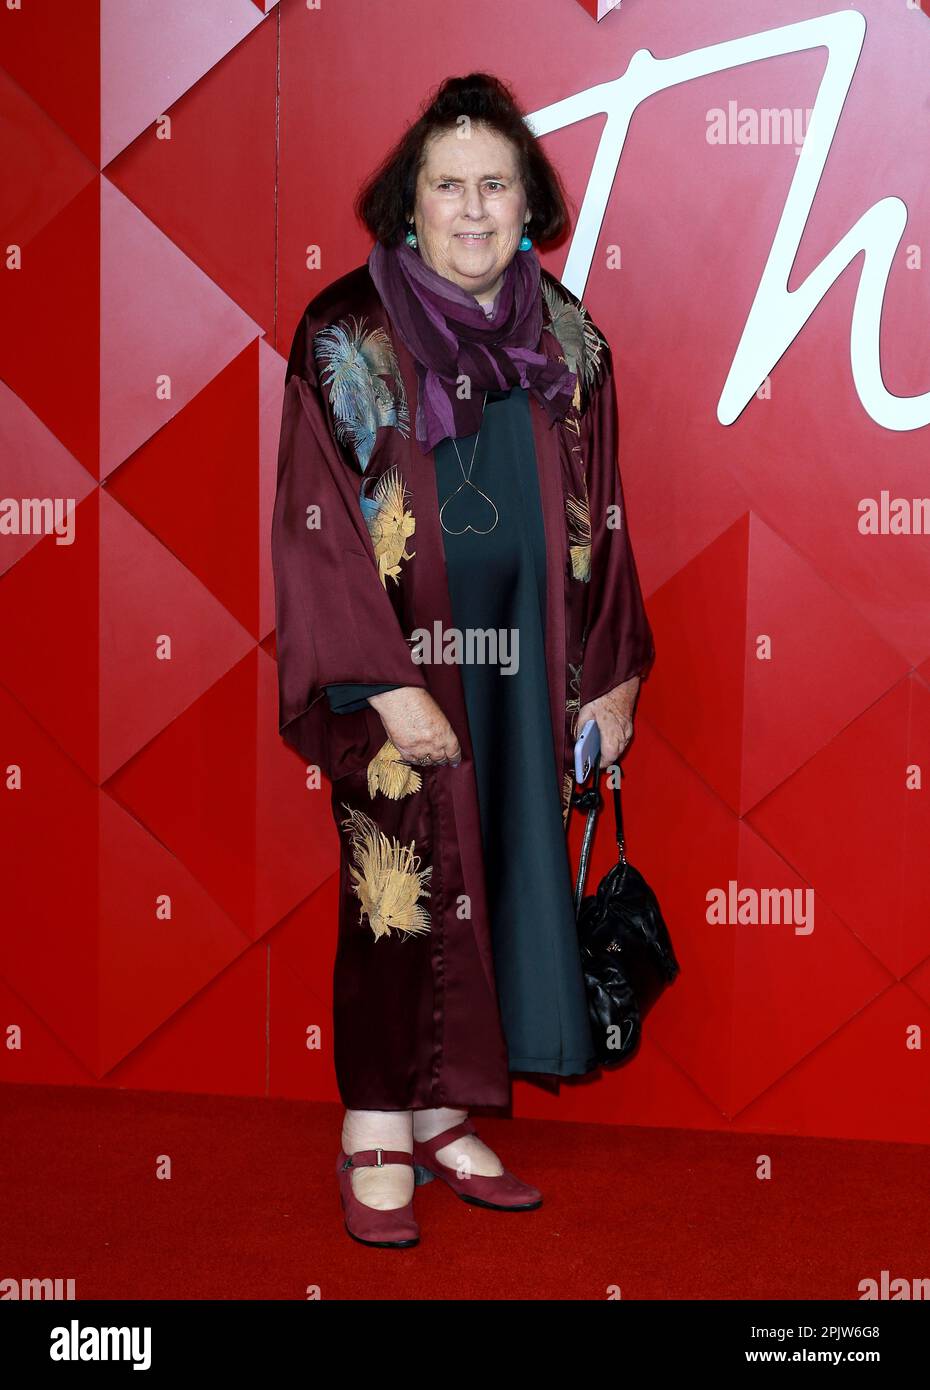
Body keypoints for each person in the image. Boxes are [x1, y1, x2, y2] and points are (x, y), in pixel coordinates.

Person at [271, 72, 654, 1248]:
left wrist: (615, 672)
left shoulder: (571, 336)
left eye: (497, 185)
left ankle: (445, 1108)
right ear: (410, 203)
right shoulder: (345, 336)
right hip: (399, 667)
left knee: (502, 869)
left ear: (527, 201)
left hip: (526, 664)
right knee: (400, 883)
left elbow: (606, 512)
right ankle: (376, 1119)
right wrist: (383, 684)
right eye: (450, 186)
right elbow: (314, 520)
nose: (475, 210)